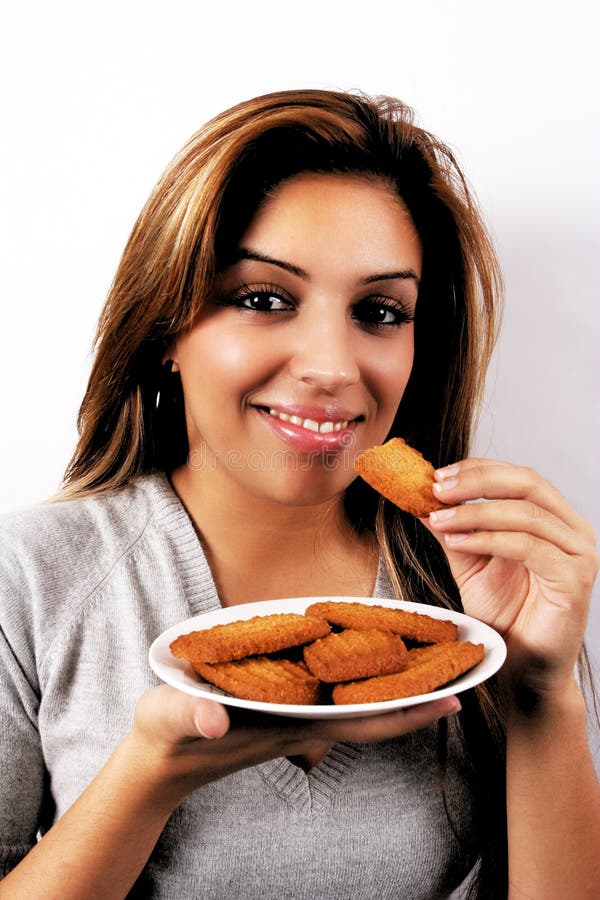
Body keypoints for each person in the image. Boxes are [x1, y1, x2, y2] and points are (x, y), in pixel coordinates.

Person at [0, 89, 598, 900]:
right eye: (264, 299)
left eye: (380, 311)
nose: (332, 365)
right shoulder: (34, 578)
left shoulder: (467, 590)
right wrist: (148, 775)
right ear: (166, 327)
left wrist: (537, 686)